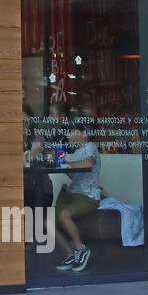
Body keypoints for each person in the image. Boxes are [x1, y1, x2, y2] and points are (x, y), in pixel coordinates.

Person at [54, 114, 102, 272]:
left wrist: (65, 161)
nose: (67, 135)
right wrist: (62, 166)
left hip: (87, 196)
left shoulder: (90, 147)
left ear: (83, 133)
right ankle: (71, 254)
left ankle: (81, 249)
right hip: (72, 194)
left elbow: (89, 163)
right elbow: (74, 175)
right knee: (46, 221)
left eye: (70, 131)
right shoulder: (76, 152)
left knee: (63, 215)